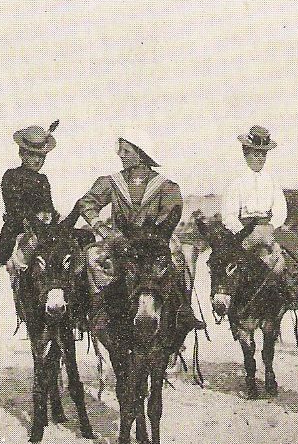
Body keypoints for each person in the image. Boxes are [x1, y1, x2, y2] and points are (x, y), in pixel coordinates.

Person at [75, 131, 204, 336]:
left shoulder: (165, 185)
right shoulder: (112, 182)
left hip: (157, 240)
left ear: (141, 153)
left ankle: (184, 309)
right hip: (119, 240)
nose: (120, 154)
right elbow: (86, 203)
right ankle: (97, 307)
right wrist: (102, 229)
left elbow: (172, 211)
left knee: (186, 254)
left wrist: (152, 235)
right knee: (92, 256)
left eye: (126, 150)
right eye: (120, 150)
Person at [220, 125, 298, 311]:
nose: (260, 158)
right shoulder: (236, 183)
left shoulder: (271, 182)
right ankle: (223, 297)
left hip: (269, 227)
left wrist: (271, 226)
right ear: (245, 153)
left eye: (263, 154)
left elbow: (280, 209)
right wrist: (242, 231)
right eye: (256, 154)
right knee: (223, 259)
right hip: (243, 228)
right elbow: (228, 215)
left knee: (296, 247)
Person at [0, 121, 60, 273]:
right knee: (16, 265)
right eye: (32, 154)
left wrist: (51, 216)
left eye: (41, 156)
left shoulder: (43, 180)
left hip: (42, 230)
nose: (37, 160)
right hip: (18, 230)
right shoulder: (11, 176)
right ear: (21, 153)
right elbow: (16, 208)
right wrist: (36, 220)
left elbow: (48, 207)